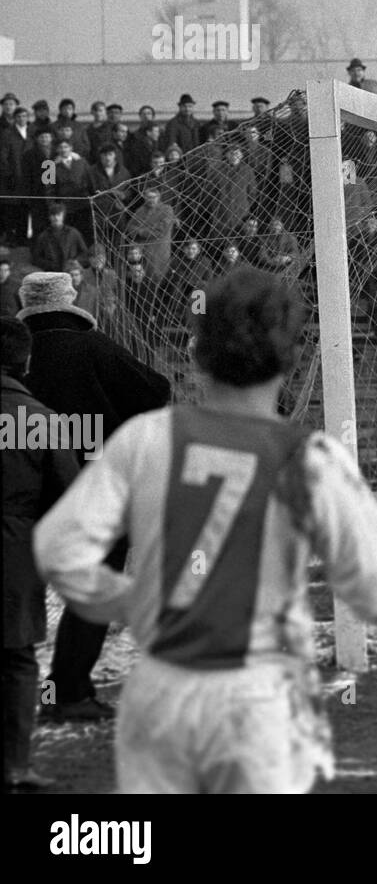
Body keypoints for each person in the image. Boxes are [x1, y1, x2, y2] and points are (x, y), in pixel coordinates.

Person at [33, 268, 377, 793]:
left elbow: (57, 549)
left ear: (196, 356)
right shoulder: (314, 460)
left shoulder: (145, 440)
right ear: (292, 360)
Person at [17, 271, 171, 723]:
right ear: (70, 299)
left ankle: (26, 692)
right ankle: (66, 691)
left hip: (21, 495)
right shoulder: (91, 345)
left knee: (16, 599)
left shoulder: (14, 350)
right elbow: (155, 390)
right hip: (91, 491)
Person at [2, 317, 81, 791]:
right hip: (15, 551)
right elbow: (69, 499)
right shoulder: (40, 420)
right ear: (25, 362)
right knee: (16, 659)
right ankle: (13, 766)